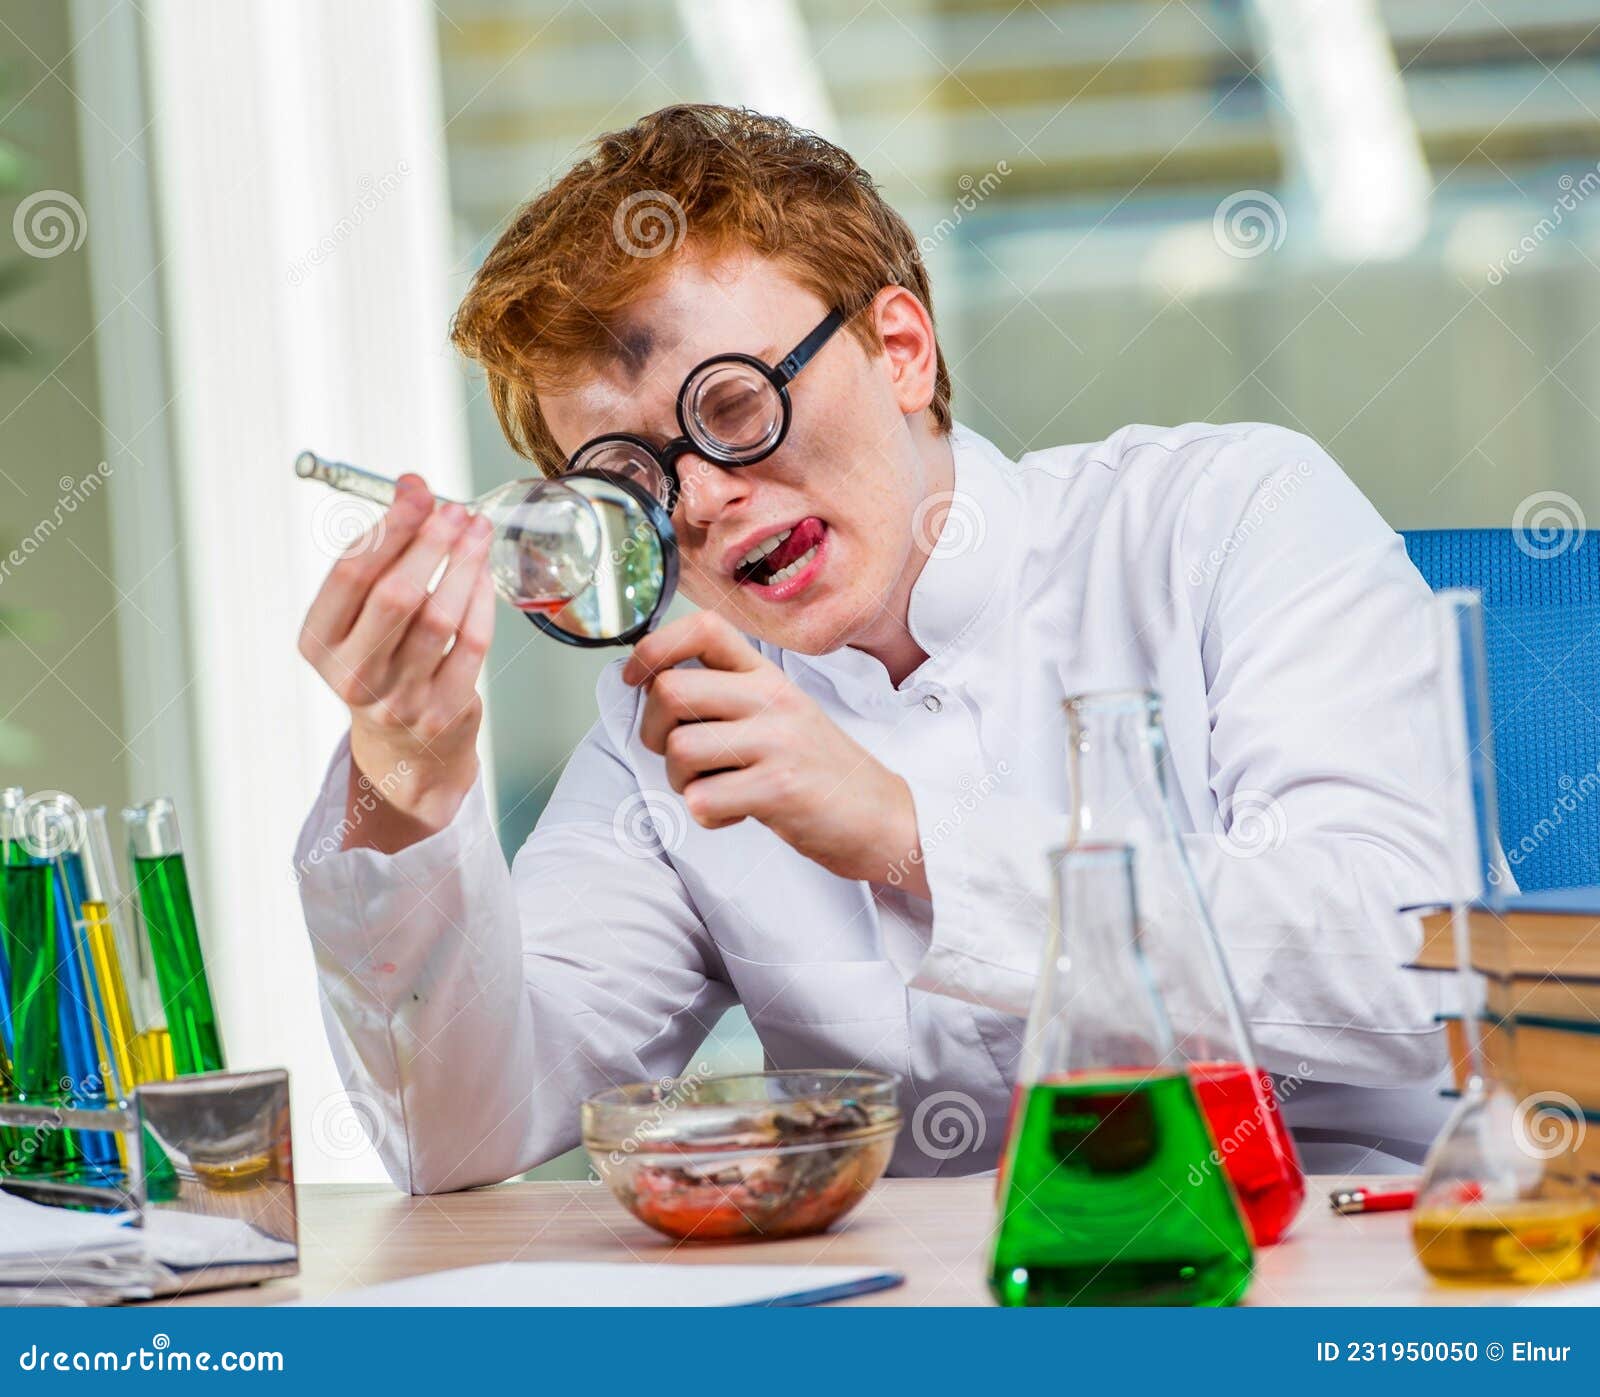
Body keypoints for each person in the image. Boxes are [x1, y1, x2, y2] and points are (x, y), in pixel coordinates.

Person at [295, 104, 1452, 1195]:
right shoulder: (672, 725)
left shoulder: (1225, 516)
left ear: (899, 348)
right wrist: (405, 780)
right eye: (631, 476)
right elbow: (460, 1130)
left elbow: (1417, 963)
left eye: (733, 406)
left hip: (1346, 1258)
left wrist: (905, 835)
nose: (699, 502)